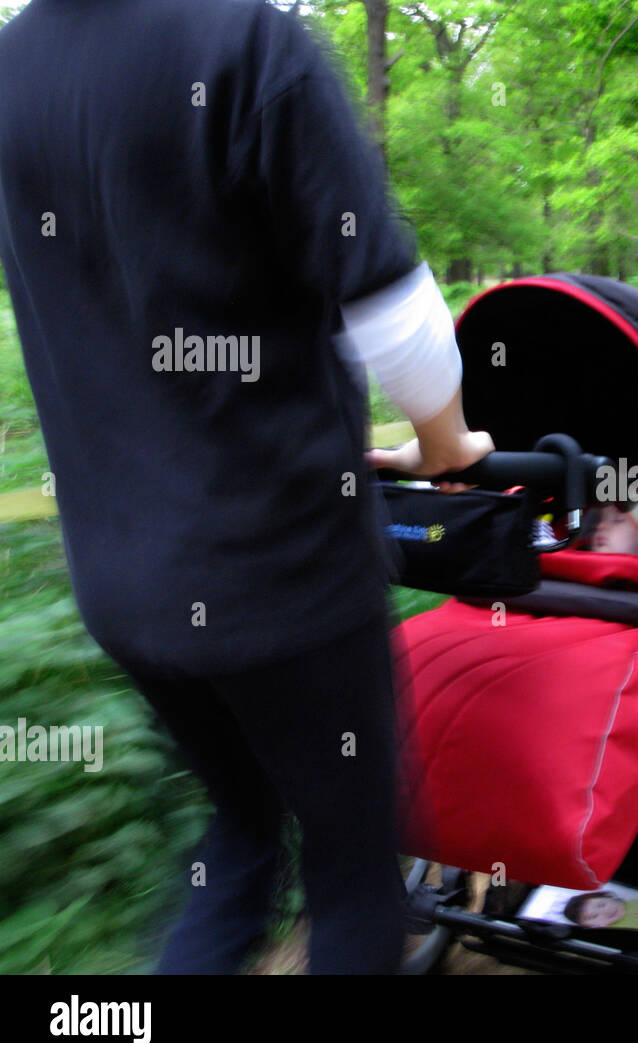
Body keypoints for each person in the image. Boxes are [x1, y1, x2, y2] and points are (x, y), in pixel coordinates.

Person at [0, 0, 491, 973]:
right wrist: (447, 444)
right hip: (280, 575)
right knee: (353, 875)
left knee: (238, 841)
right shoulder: (243, 42)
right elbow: (396, 320)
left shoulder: (14, 72)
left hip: (121, 586)